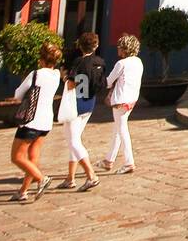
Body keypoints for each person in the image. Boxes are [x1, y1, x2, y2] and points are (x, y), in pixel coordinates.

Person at [10, 41, 63, 203]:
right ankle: (23, 191)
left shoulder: (36, 74)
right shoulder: (56, 75)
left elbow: (18, 94)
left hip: (31, 120)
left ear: (41, 59)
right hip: (46, 120)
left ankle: (41, 179)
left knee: (17, 157)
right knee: (33, 156)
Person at [59, 32, 104, 192]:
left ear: (80, 46)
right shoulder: (100, 62)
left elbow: (71, 83)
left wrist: (64, 78)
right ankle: (70, 178)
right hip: (90, 103)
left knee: (73, 142)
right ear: (96, 45)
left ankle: (91, 175)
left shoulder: (79, 62)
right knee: (74, 139)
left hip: (76, 104)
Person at [99, 34, 143, 175]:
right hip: (132, 99)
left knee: (122, 130)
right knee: (118, 129)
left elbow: (108, 81)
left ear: (124, 48)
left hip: (121, 100)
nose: (117, 49)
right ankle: (109, 160)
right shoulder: (138, 62)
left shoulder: (121, 64)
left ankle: (129, 162)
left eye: (119, 46)